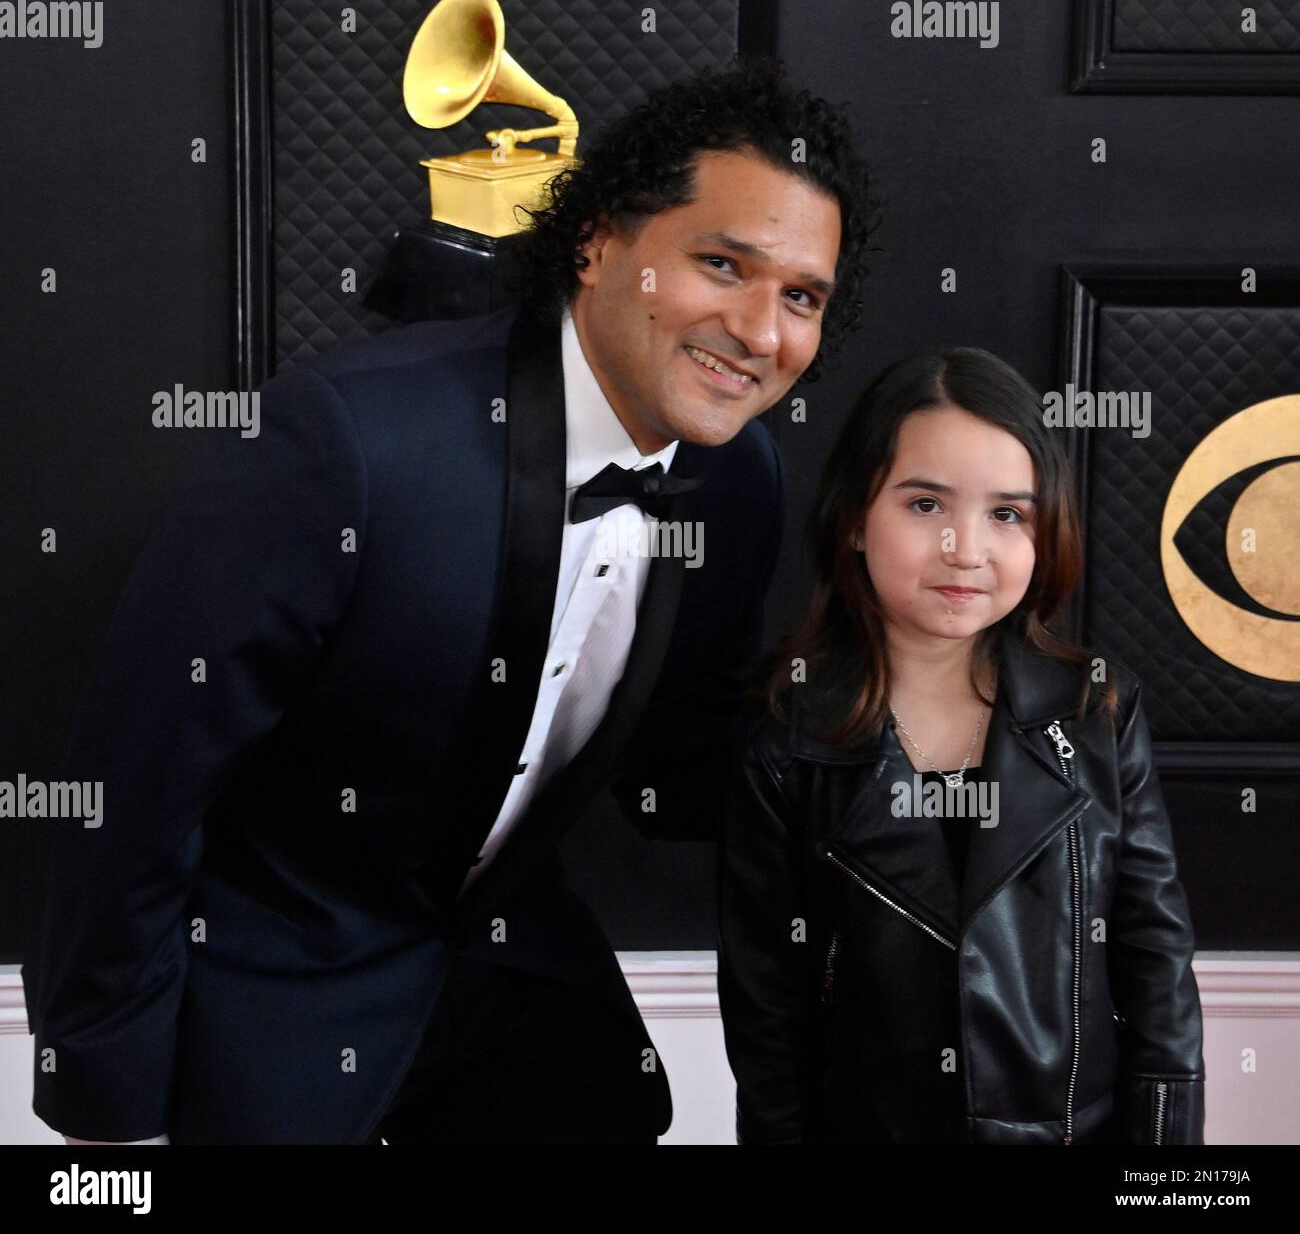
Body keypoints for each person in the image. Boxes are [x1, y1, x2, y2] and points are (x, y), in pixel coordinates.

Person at [23, 56, 878, 1144]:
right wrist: (113, 1121)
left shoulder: (738, 480)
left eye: (800, 297)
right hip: (273, 967)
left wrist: (900, 738)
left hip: (499, 950)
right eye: (722, 264)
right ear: (600, 240)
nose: (762, 333)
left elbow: (679, 768)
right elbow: (138, 782)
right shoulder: (345, 442)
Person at [716, 347, 1205, 1145]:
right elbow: (769, 1020)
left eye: (1007, 513)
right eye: (925, 505)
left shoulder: (1097, 710)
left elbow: (1159, 972)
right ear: (853, 520)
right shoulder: (786, 742)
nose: (966, 548)